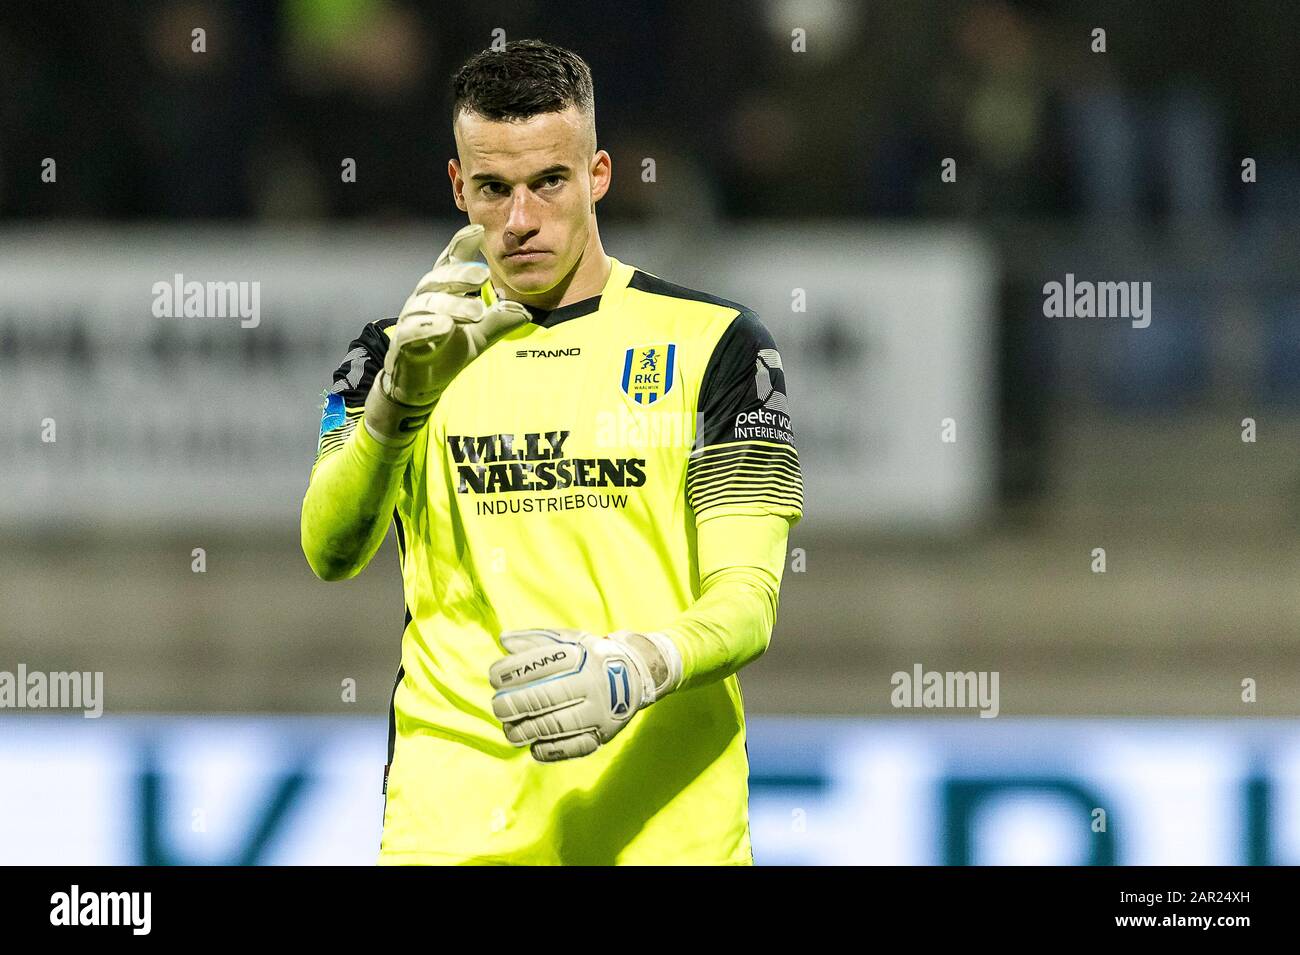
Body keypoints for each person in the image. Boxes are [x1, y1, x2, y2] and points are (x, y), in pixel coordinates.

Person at [300, 38, 803, 865]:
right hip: (454, 835)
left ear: (598, 175)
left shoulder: (718, 342)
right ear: (460, 186)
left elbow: (748, 599)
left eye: (549, 184)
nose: (521, 220)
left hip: (667, 840)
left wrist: (637, 665)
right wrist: (396, 408)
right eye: (493, 191)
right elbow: (328, 549)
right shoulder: (393, 352)